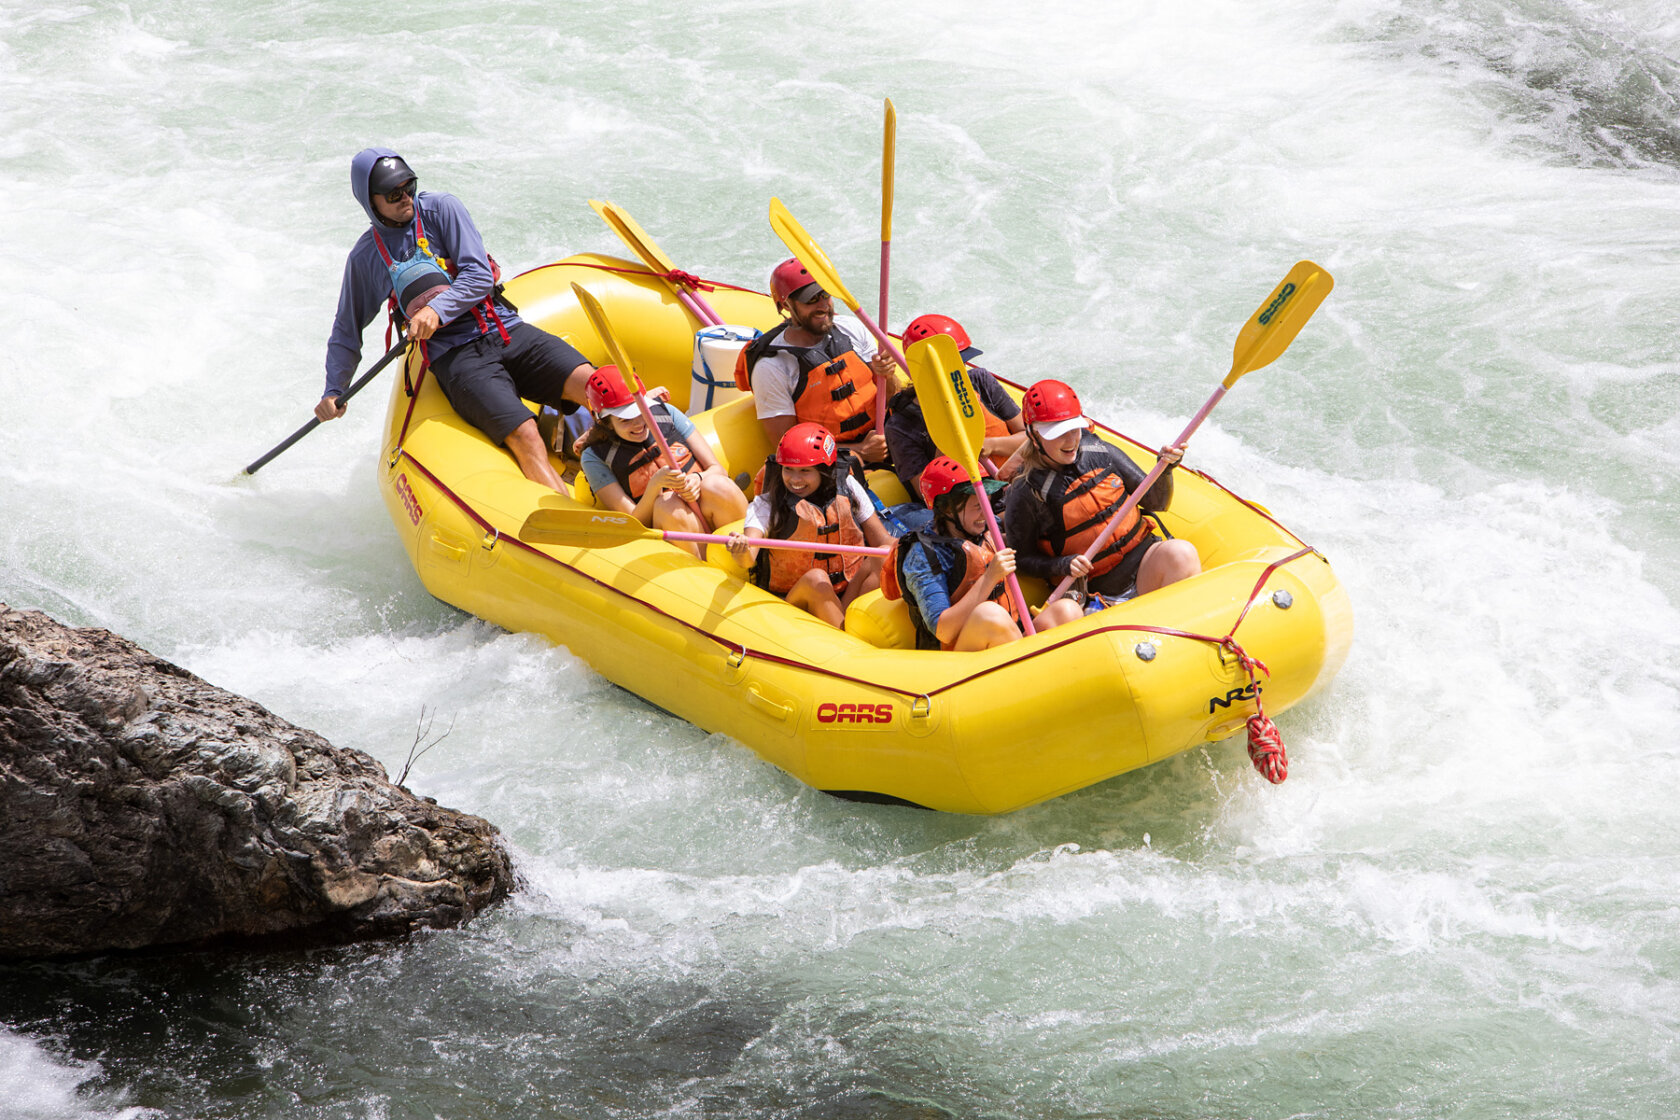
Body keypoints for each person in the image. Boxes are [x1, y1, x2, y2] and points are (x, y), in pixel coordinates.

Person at [316, 148, 594, 492]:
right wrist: (334, 390)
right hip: (458, 359)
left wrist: (435, 310)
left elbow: (478, 275)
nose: (406, 198)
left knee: (600, 386)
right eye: (394, 194)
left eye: (409, 187)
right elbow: (347, 330)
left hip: (504, 330)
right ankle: (567, 521)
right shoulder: (365, 258)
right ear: (370, 202)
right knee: (526, 435)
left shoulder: (441, 209)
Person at [1003, 379, 1201, 608]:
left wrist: (1165, 468)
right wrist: (1062, 565)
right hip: (1099, 592)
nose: (1070, 441)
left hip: (1145, 564)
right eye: (1058, 434)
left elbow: (1156, 501)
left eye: (1073, 429)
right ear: (1033, 436)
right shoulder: (1026, 491)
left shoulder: (1099, 451)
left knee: (1181, 552)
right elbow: (1023, 559)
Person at [883, 458, 1083, 651]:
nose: (985, 514)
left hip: (1008, 637)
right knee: (990, 615)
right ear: (946, 509)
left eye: (987, 503)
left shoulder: (985, 526)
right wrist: (989, 578)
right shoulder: (922, 555)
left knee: (1066, 610)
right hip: (960, 658)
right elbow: (943, 631)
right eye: (978, 506)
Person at [726, 423, 895, 629]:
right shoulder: (767, 504)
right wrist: (741, 549)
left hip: (844, 592)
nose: (795, 480)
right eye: (788, 469)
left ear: (824, 471)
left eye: (805, 471)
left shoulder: (847, 485)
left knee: (885, 554)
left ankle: (854, 628)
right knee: (817, 579)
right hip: (795, 602)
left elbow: (882, 540)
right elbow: (747, 558)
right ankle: (848, 642)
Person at [734, 258, 899, 464]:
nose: (822, 305)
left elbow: (893, 396)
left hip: (880, 436)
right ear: (786, 305)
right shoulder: (772, 366)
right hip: (826, 460)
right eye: (810, 299)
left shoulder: (852, 328)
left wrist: (887, 375)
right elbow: (786, 444)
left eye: (825, 295)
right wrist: (861, 451)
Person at [575, 365, 746, 557]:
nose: (639, 424)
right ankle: (702, 570)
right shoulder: (594, 457)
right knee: (667, 504)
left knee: (718, 484)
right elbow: (634, 521)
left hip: (705, 509)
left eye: (642, 412)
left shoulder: (667, 412)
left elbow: (717, 469)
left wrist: (698, 478)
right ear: (604, 422)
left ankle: (746, 560)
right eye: (625, 420)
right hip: (667, 524)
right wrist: (655, 485)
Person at [884, 313, 1029, 501]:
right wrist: (948, 438)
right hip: (974, 505)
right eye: (953, 363)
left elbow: (1030, 438)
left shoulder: (980, 380)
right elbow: (928, 495)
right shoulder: (901, 426)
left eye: (960, 362)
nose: (960, 368)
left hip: (1020, 483)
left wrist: (990, 446)